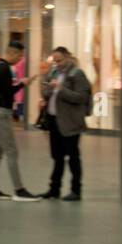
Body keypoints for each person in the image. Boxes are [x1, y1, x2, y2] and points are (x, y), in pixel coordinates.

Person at [0, 42, 41, 202]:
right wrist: (22, 83)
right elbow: (8, 93)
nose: (20, 59)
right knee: (11, 151)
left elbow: (4, 91)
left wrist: (21, 83)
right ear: (13, 53)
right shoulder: (4, 69)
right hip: (1, 113)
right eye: (20, 56)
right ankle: (19, 190)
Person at [39, 47, 91, 201]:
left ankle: (76, 190)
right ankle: (54, 189)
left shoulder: (77, 74)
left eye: (59, 60)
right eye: (54, 61)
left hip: (70, 123)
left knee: (73, 157)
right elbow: (47, 94)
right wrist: (46, 89)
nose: (56, 64)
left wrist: (61, 89)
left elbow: (81, 97)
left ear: (68, 57)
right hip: (54, 121)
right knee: (57, 157)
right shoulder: (53, 73)